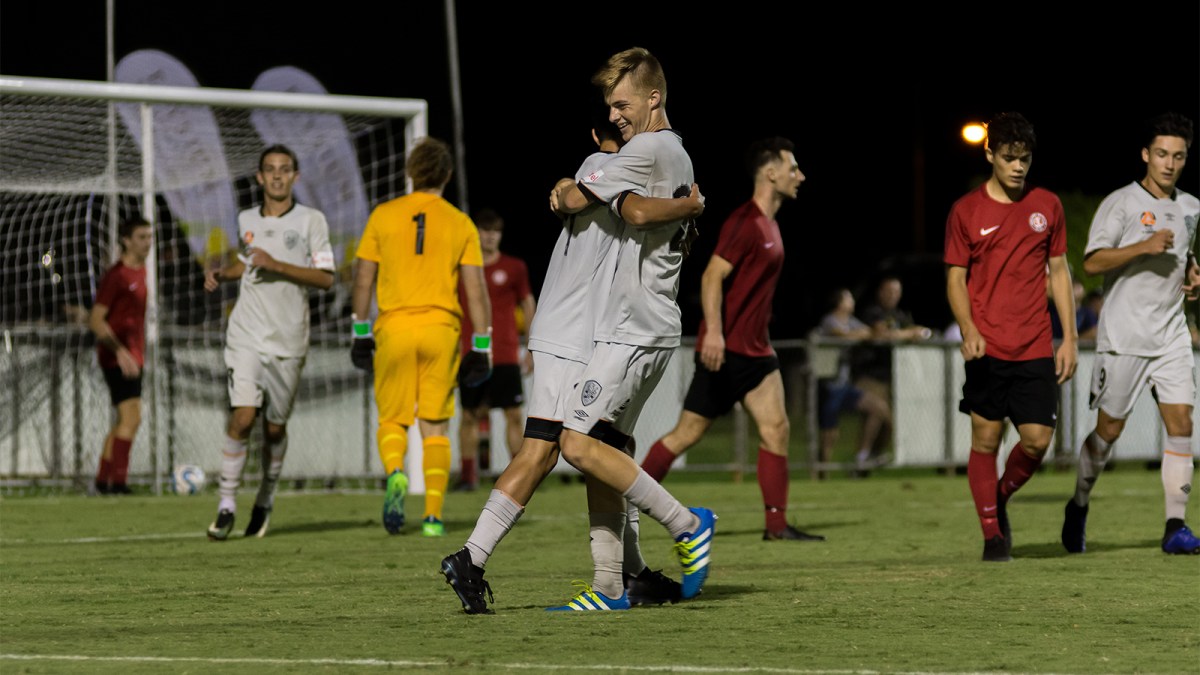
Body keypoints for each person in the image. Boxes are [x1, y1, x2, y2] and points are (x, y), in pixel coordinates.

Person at [441, 47, 714, 614]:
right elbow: (574, 195)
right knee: (566, 446)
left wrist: (680, 206)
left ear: (651, 99)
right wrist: (685, 205)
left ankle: (636, 565)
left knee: (584, 447)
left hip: (611, 331)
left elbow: (603, 203)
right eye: (609, 110)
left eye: (623, 105)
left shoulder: (647, 157)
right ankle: (614, 575)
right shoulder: (612, 165)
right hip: (580, 333)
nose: (615, 118)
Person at [639, 137, 822, 540]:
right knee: (686, 434)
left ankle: (776, 526)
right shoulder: (745, 221)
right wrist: (715, 334)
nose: (800, 175)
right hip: (725, 353)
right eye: (793, 167)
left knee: (777, 429)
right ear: (770, 172)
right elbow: (711, 276)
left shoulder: (771, 223)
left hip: (757, 353)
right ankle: (629, 500)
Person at [1062, 111, 1200, 555]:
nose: (1169, 163)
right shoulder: (1120, 203)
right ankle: (1079, 503)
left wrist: (1193, 272)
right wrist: (1142, 245)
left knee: (1181, 424)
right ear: (1146, 154)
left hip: (1171, 334)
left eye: (1178, 156)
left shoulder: (1191, 206)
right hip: (1123, 337)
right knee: (1109, 431)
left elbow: (1183, 254)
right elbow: (1092, 262)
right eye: (1161, 154)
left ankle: (1175, 527)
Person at [944, 111, 1078, 562]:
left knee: (1038, 441)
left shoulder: (1048, 206)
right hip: (987, 347)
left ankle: (996, 498)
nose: (1018, 166)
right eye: (1009, 158)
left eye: (1025, 158)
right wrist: (969, 329)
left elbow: (1059, 273)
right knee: (985, 440)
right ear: (990, 155)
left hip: (1036, 344)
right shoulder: (966, 210)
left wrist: (1071, 338)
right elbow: (955, 279)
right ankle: (992, 535)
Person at [350, 136, 493, 538]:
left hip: (394, 328)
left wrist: (360, 331)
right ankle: (432, 517)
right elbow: (475, 290)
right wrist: (481, 345)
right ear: (446, 174)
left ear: (410, 172)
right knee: (435, 424)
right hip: (440, 329)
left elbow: (362, 279)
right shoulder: (460, 222)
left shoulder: (383, 215)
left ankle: (396, 472)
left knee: (393, 419)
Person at [203, 144, 335, 540]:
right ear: (259, 177)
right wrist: (223, 274)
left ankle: (265, 497)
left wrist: (276, 264)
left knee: (274, 430)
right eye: (270, 170)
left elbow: (327, 277)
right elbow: (248, 261)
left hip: (289, 338)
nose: (277, 176)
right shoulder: (245, 218)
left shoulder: (312, 220)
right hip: (246, 334)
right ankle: (226, 505)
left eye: (284, 170)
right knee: (243, 416)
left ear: (295, 176)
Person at [453, 208, 536, 492]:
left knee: (513, 415)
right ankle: (468, 477)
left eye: (495, 231)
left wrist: (531, 346)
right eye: (485, 231)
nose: (489, 237)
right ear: (476, 233)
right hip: (472, 355)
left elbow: (527, 302)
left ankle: (519, 475)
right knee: (469, 415)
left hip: (504, 354)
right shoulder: (464, 268)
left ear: (500, 235)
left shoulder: (514, 267)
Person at [89, 216, 153, 495]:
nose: (148, 242)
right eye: (141, 237)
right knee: (132, 418)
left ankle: (104, 480)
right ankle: (118, 483)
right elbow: (96, 320)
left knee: (123, 419)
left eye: (150, 237)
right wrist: (122, 353)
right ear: (126, 241)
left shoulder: (142, 272)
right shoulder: (117, 276)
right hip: (116, 356)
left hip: (132, 355)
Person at [812, 288, 893, 479]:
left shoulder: (852, 322)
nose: (852, 301)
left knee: (879, 408)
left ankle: (861, 457)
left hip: (845, 386)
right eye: (848, 298)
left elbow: (870, 332)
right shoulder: (830, 320)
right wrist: (864, 333)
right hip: (829, 386)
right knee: (830, 433)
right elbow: (842, 335)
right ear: (839, 303)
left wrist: (871, 331)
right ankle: (822, 472)